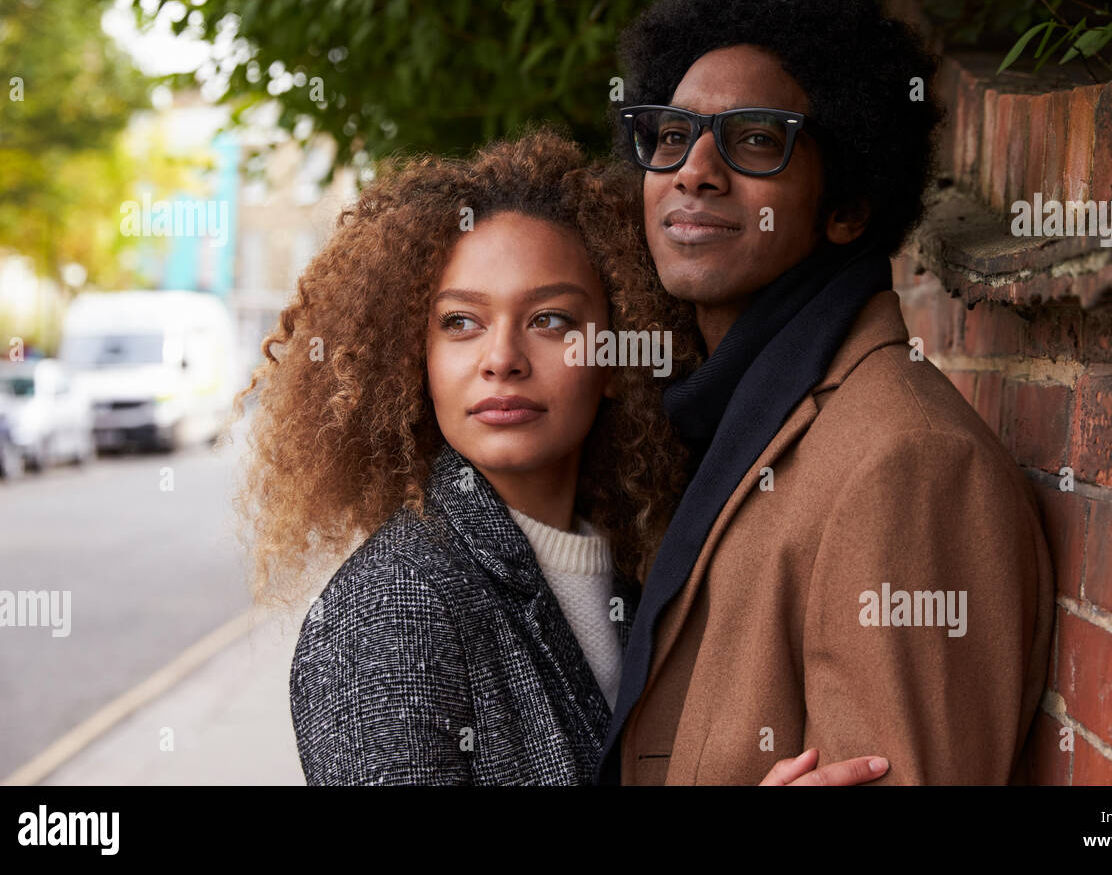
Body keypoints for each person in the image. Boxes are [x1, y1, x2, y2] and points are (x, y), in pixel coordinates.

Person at [232, 126, 888, 785]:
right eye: (460, 322)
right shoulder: (389, 611)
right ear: (416, 361)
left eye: (551, 321)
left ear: (615, 359)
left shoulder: (641, 567)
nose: (502, 361)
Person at [597, 0, 1055, 785]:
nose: (692, 170)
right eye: (671, 135)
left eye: (756, 140)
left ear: (847, 208)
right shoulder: (726, 418)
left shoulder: (905, 462)